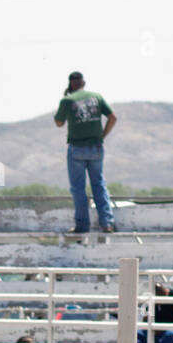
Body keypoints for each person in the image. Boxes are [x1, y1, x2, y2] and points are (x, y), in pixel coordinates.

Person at [54, 71, 116, 234]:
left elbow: (59, 123)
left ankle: (82, 226)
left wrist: (66, 101)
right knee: (99, 184)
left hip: (77, 149)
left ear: (70, 84)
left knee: (78, 188)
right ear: (84, 83)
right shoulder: (96, 97)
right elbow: (113, 117)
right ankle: (107, 223)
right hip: (96, 147)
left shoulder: (67, 100)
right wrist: (102, 135)